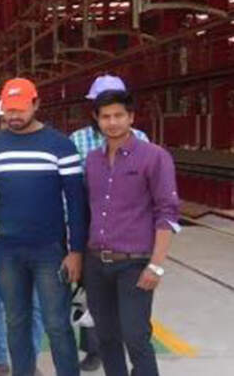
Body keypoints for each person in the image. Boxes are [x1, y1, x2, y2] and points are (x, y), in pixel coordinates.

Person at [0, 78, 86, 376]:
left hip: (50, 251)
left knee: (57, 324)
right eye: (9, 110)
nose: (14, 116)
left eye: (21, 109)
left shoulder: (60, 146)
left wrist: (76, 251)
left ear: (36, 104)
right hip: (7, 252)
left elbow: (76, 202)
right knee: (15, 322)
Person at [83, 90, 179, 376]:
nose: (112, 122)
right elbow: (88, 208)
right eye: (106, 117)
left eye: (118, 116)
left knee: (136, 337)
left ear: (131, 118)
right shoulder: (92, 160)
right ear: (97, 120)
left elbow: (167, 213)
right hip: (97, 262)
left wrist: (156, 265)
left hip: (134, 263)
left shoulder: (154, 157)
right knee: (107, 337)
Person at [67, 77, 143, 372]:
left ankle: (137, 354)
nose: (111, 119)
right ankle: (94, 349)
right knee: (93, 297)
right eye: (104, 111)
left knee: (132, 305)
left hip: (128, 236)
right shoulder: (78, 141)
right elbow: (73, 191)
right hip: (92, 228)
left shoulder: (141, 140)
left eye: (117, 112)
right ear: (94, 111)